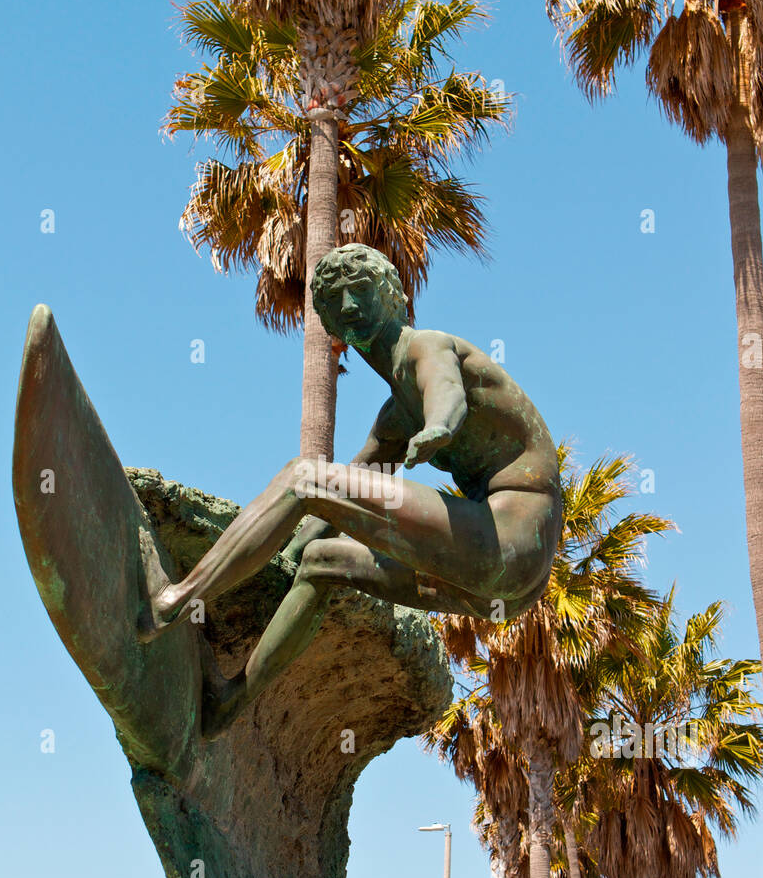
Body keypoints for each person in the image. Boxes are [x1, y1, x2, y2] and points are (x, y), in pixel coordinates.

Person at [139, 244, 562, 735]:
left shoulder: (427, 346)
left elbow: (445, 393)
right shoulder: (395, 418)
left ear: (393, 295)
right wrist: (285, 554)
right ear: (330, 325)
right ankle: (225, 707)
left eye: (361, 290)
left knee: (305, 475)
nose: (349, 307)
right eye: (334, 301)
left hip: (509, 540)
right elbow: (336, 503)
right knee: (322, 561)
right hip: (495, 590)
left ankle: (173, 602)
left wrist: (440, 428)